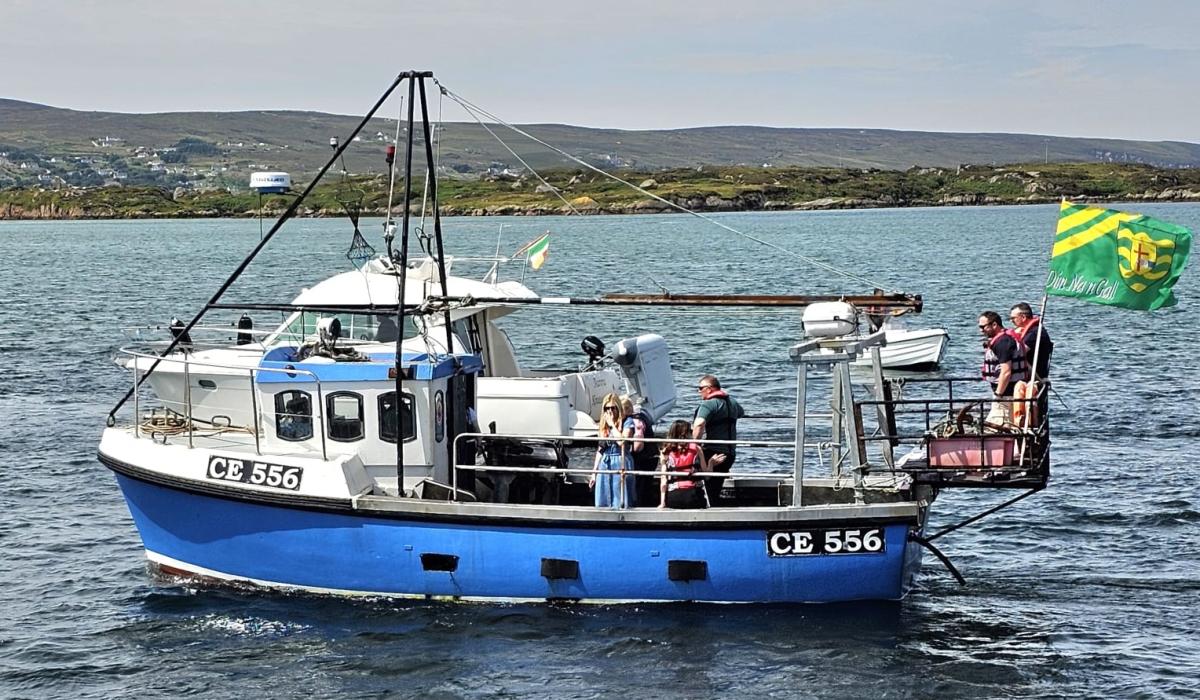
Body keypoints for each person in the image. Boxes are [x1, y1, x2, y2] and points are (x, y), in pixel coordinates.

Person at [691, 375, 744, 504]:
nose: (698, 391)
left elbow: (699, 424)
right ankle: (713, 505)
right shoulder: (732, 402)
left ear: (709, 389)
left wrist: (693, 444)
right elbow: (741, 413)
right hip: (729, 454)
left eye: (700, 388)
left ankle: (703, 507)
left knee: (704, 485)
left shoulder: (708, 404)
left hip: (712, 453)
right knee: (715, 486)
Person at [978, 311, 1029, 425]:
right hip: (1009, 393)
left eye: (983, 327)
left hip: (1006, 395)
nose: (981, 331)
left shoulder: (1002, 343)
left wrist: (998, 395)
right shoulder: (1006, 338)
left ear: (994, 325)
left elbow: (1006, 371)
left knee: (996, 426)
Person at [590, 393, 637, 509]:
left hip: (621, 460)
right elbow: (600, 449)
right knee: (603, 498)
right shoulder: (604, 425)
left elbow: (622, 441)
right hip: (605, 462)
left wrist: (612, 425)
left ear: (618, 408)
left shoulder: (628, 422)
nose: (610, 411)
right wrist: (594, 472)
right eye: (607, 408)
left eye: (613, 408)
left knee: (620, 497)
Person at [659, 420, 708, 509]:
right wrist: (711, 462)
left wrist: (662, 503)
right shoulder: (697, 448)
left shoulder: (665, 451)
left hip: (674, 497)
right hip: (694, 496)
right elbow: (706, 475)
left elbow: (663, 480)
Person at [620, 396, 658, 506]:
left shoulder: (635, 422)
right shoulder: (642, 416)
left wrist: (627, 451)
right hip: (652, 455)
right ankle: (647, 504)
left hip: (643, 459)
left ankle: (639, 505)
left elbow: (638, 447)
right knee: (647, 485)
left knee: (639, 486)